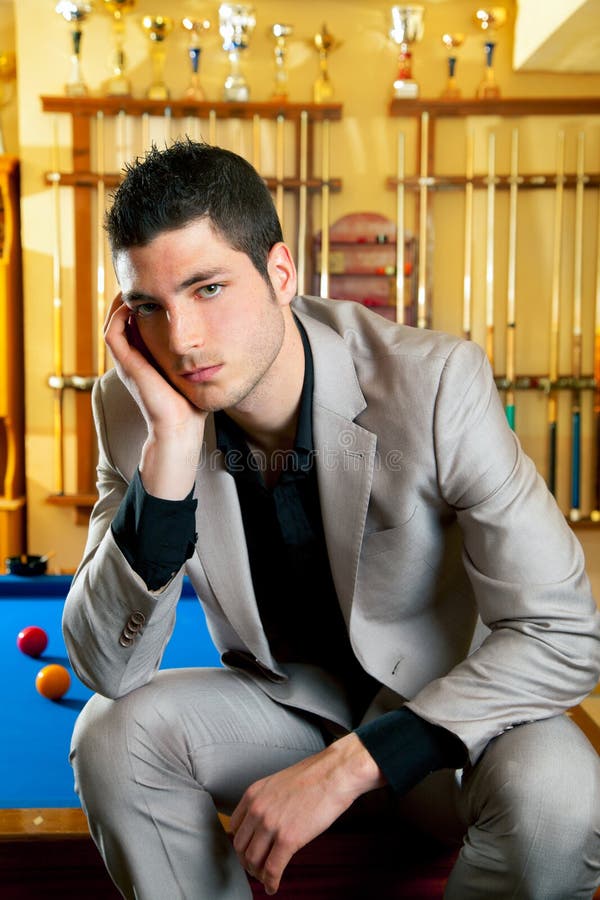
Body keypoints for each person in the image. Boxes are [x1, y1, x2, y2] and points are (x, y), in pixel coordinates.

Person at [63, 139, 600, 900]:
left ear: (280, 274)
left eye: (208, 288)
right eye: (149, 306)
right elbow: (106, 670)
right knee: (111, 736)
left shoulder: (435, 382)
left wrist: (353, 767)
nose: (181, 341)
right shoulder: (134, 409)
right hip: (286, 717)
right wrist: (171, 454)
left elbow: (564, 632)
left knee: (562, 788)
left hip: (448, 728)